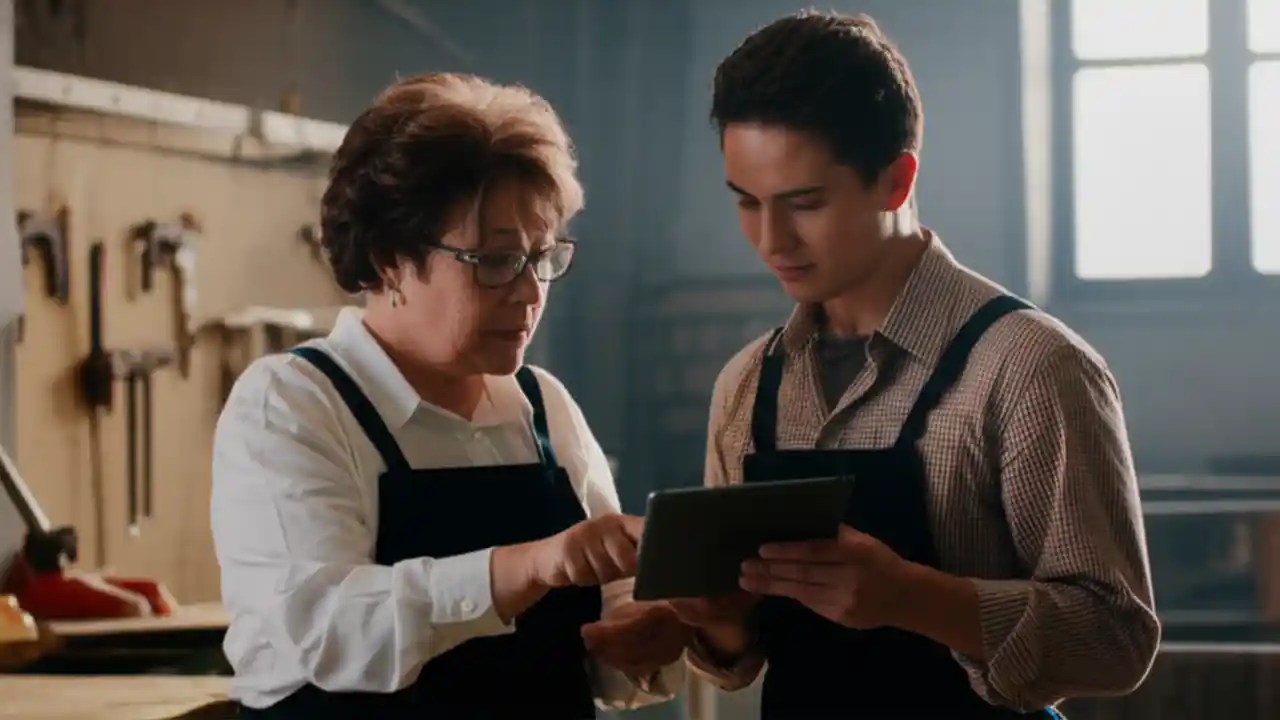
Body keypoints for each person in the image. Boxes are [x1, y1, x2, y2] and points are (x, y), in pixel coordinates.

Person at [671, 11, 1161, 719]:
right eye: (747, 203)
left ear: (896, 180)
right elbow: (739, 656)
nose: (771, 240)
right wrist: (717, 616)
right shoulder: (747, 384)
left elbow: (1117, 639)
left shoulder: (1031, 367)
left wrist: (913, 599)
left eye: (804, 203)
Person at [211, 72, 686, 718]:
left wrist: (638, 632)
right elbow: (326, 632)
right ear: (388, 260)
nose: (529, 292)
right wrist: (528, 567)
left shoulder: (542, 408)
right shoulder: (292, 407)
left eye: (542, 257)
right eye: (495, 261)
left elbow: (604, 616)